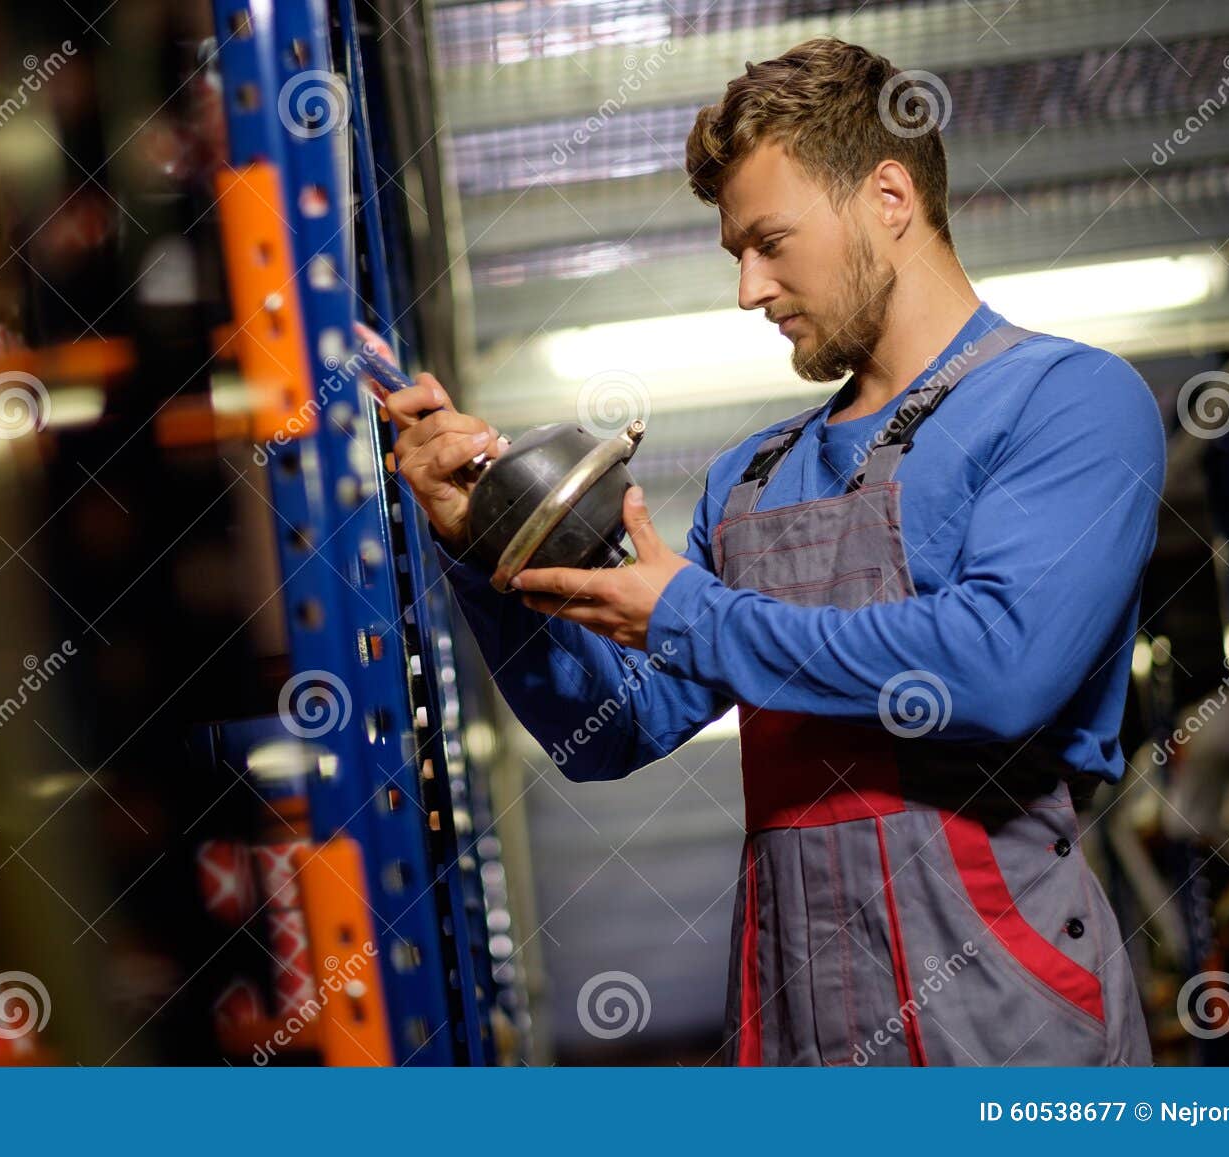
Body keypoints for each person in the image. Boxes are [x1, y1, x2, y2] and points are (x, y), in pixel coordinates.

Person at [385, 37, 1162, 1065]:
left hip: (1007, 1018)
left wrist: (689, 613)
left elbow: (998, 667)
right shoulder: (752, 479)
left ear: (889, 196)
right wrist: (483, 543)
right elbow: (607, 731)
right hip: (794, 1020)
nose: (748, 289)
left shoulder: (1067, 400)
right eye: (733, 254)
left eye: (769, 241)